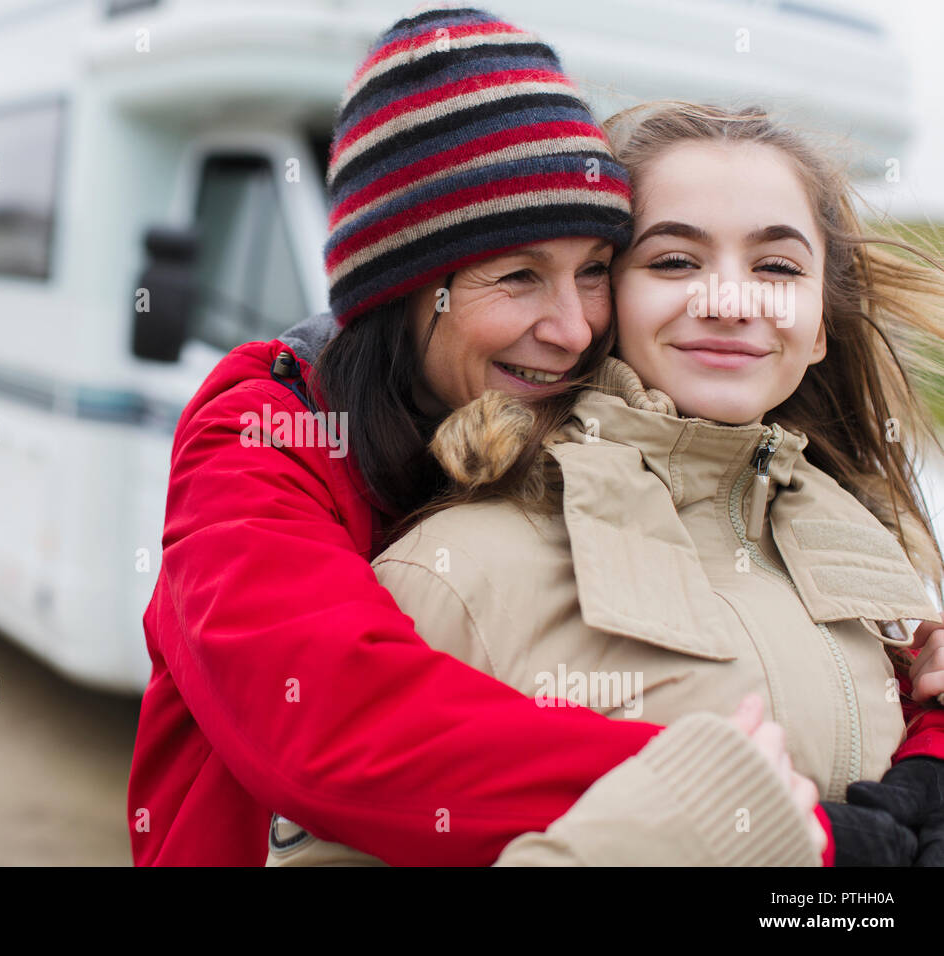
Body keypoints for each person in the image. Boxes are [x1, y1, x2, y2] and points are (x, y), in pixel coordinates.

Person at [126, 7, 835, 866]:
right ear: (406, 291)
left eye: (592, 273)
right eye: (518, 277)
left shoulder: (577, 424)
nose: (574, 328)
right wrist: (727, 798)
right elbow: (332, 728)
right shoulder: (267, 433)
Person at [267, 101, 944, 866]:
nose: (729, 301)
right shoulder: (453, 572)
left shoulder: (879, 567)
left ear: (818, 323)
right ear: (601, 301)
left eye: (778, 268)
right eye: (674, 262)